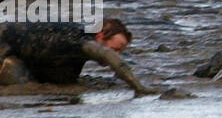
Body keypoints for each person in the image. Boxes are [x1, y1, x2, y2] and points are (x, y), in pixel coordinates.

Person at [0, 18, 152, 94]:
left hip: (19, 52)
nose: (117, 54)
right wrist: (138, 87)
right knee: (24, 87)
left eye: (120, 51)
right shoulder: (82, 40)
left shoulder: (75, 57)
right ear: (100, 36)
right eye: (116, 49)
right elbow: (107, 55)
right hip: (4, 43)